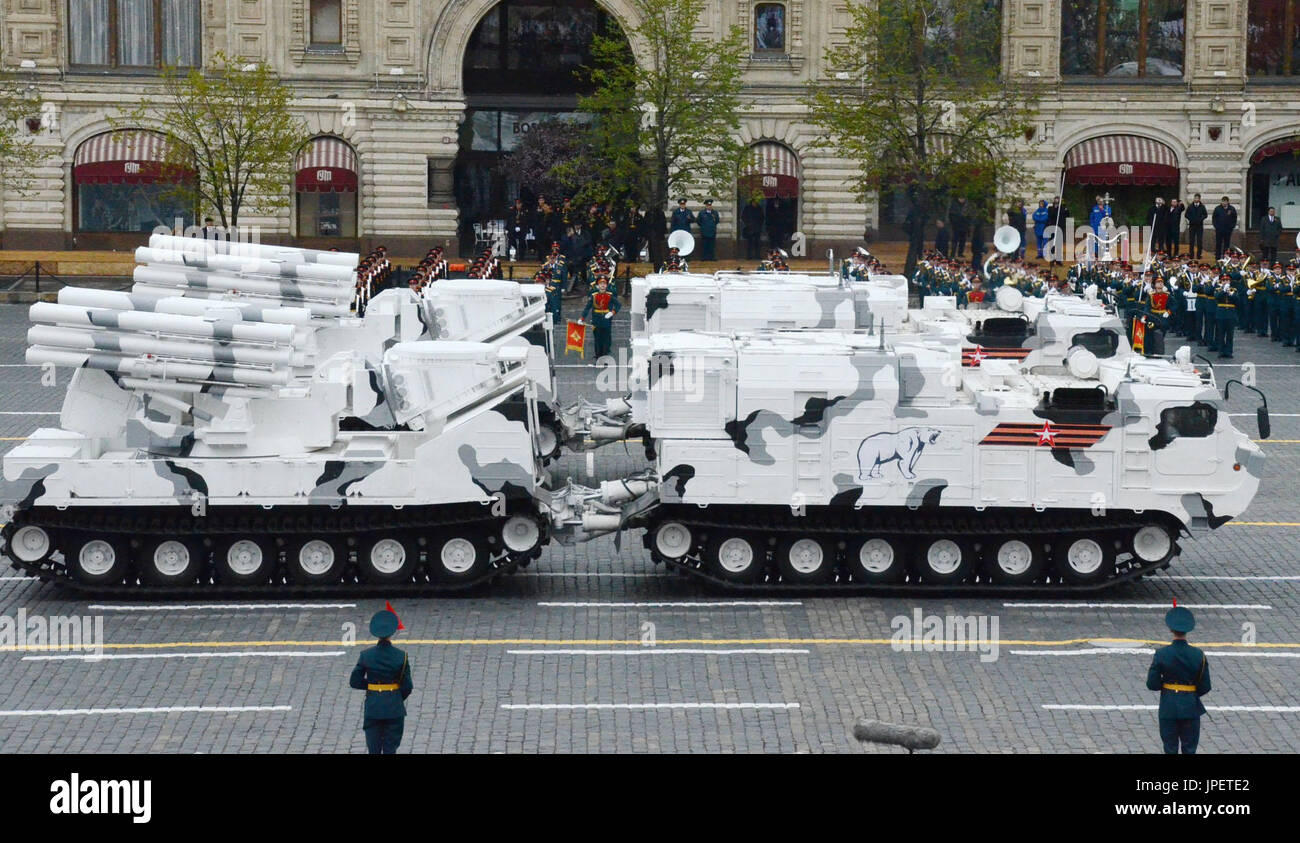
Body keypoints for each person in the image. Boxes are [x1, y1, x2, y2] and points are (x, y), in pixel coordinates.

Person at [1146, 605, 1211, 754]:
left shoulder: (1162, 654)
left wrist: (1166, 688)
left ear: (1170, 629)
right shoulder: (1198, 655)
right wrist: (1189, 694)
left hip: (1168, 707)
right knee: (1189, 748)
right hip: (1190, 706)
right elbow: (1205, 686)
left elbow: (1152, 683)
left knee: (1170, 748)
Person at [349, 610, 414, 755]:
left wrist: (372, 687)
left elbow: (354, 681)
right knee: (391, 748)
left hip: (373, 707)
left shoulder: (366, 655)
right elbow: (407, 686)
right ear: (392, 633)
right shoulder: (401, 656)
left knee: (373, 748)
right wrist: (395, 696)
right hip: (394, 708)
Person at [582, 275, 621, 359]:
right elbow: (587, 308)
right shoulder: (594, 295)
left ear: (607, 285)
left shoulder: (610, 295)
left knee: (606, 338)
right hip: (596, 319)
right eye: (601, 284)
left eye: (604, 284)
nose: (602, 285)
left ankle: (605, 356)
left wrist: (612, 312)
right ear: (597, 285)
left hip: (606, 319)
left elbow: (618, 305)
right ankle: (598, 356)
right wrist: (581, 318)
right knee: (597, 338)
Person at [1184, 194, 1207, 260]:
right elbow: (1186, 215)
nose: (1196, 199)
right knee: (1191, 241)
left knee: (1199, 241)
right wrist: (1191, 219)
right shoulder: (1190, 206)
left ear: (1199, 199)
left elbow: (1205, 215)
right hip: (1192, 226)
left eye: (1197, 198)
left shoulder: (1202, 206)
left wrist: (1200, 219)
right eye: (1195, 198)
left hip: (1199, 226)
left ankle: (1199, 255)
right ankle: (1191, 255)